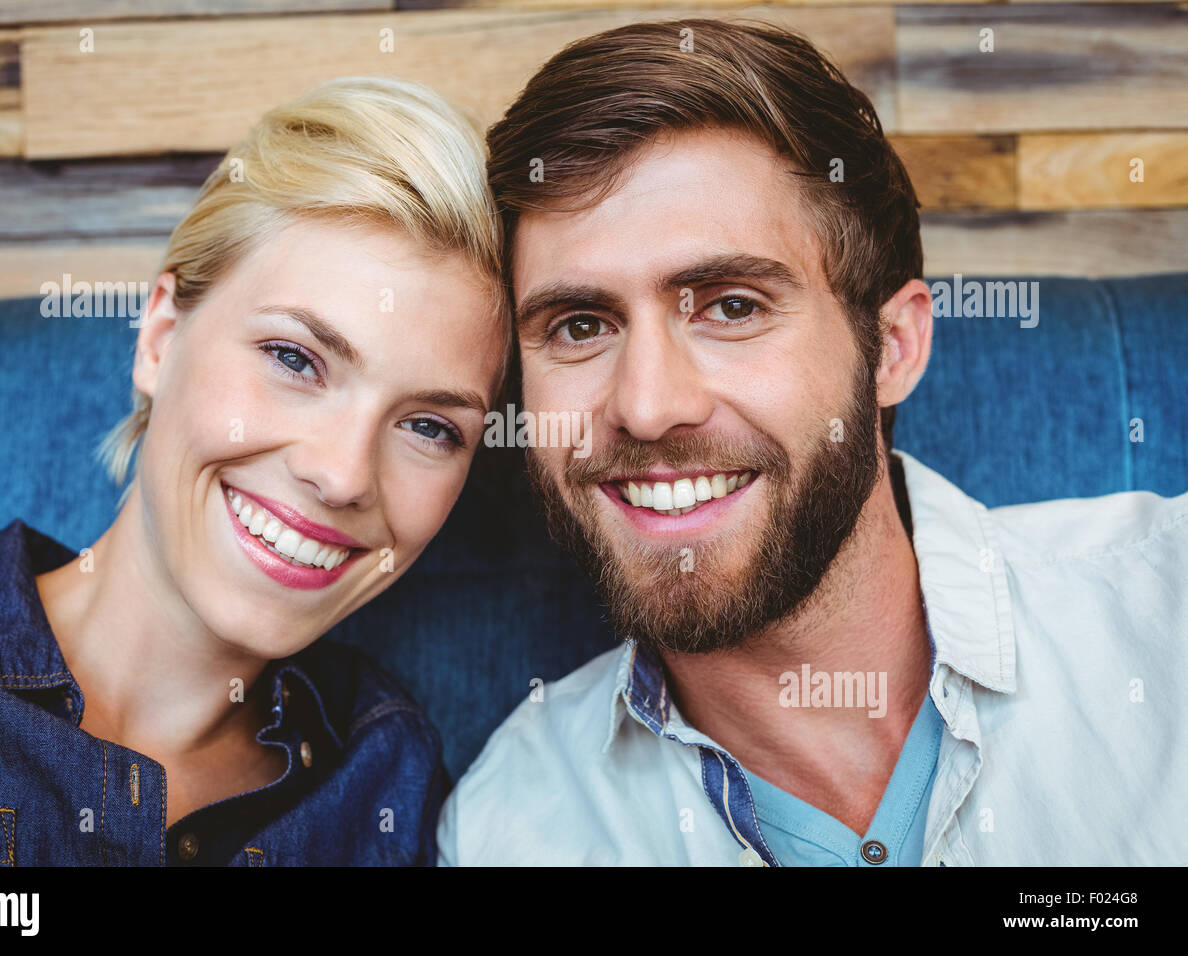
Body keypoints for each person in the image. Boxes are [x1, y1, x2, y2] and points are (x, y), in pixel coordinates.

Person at [437, 19, 1188, 866]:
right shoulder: (512, 826)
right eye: (579, 325)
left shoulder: (1166, 618)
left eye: (731, 307)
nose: (647, 408)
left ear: (894, 348)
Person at [0, 76, 508, 866]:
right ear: (159, 336)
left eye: (428, 426)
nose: (344, 474)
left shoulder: (391, 784)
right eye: (295, 359)